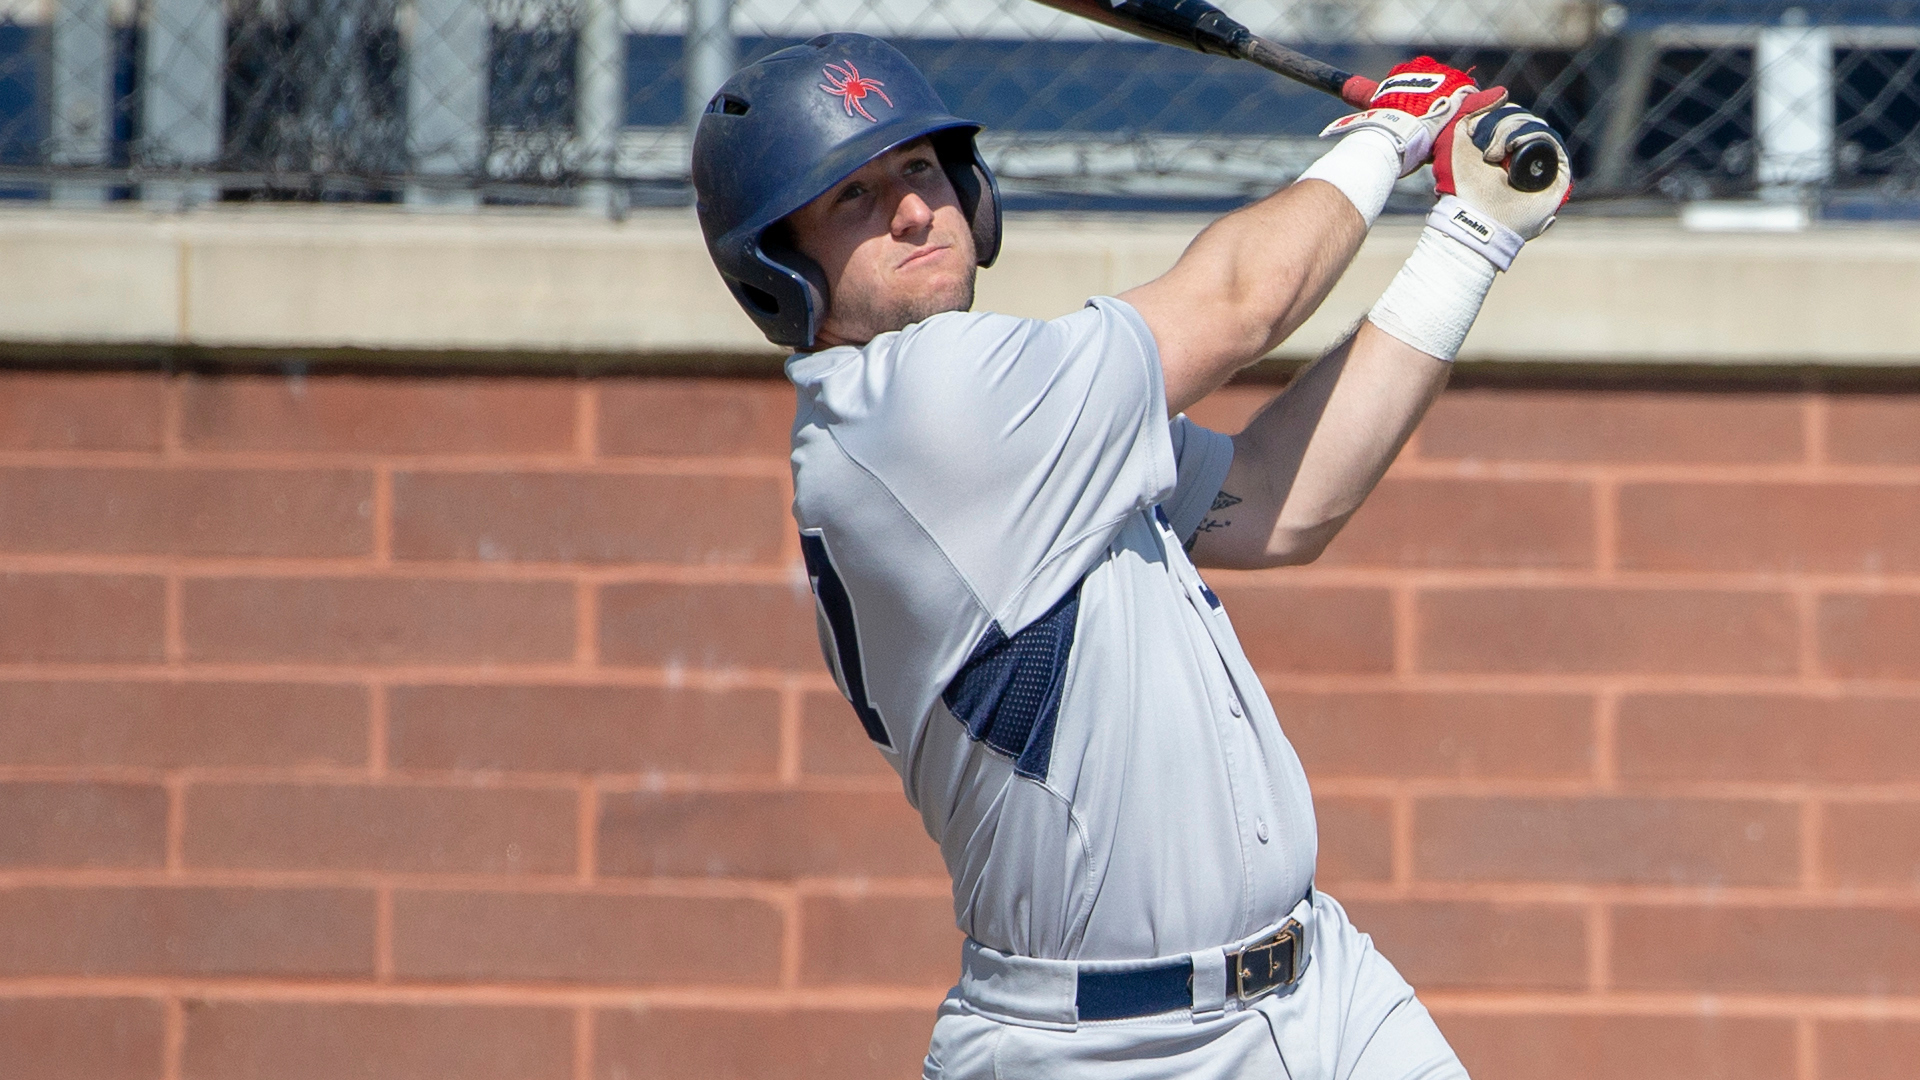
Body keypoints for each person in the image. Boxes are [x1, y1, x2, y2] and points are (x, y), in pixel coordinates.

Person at [691, 32, 1570, 1080]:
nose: (914, 211)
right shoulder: (919, 409)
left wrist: (1470, 237)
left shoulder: (1025, 426)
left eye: (920, 168)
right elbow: (1238, 300)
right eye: (854, 197)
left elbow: (1277, 504)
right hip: (1109, 1047)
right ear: (778, 263)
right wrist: (1391, 133)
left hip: (1328, 988)